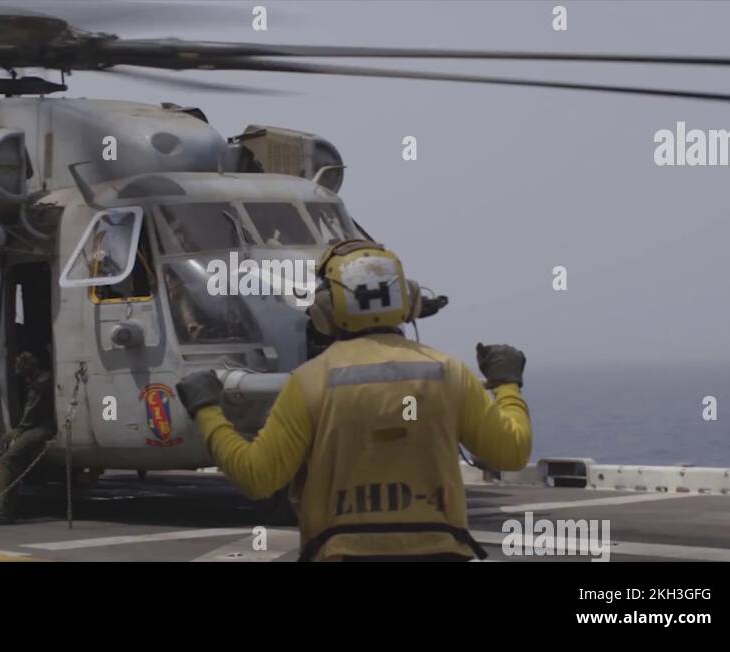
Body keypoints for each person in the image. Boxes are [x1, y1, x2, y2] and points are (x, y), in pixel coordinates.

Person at [176, 240, 532, 561]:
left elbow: (257, 477)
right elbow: (511, 452)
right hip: (440, 553)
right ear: (407, 300)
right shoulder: (447, 373)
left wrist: (206, 410)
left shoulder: (310, 382)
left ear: (327, 309)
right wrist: (507, 385)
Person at [0, 351, 55, 526]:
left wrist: (16, 433)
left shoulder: (39, 385)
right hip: (39, 425)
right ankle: (1, 503)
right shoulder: (42, 380)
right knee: (6, 444)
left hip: (42, 428)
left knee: (8, 460)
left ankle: (4, 511)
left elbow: (29, 419)